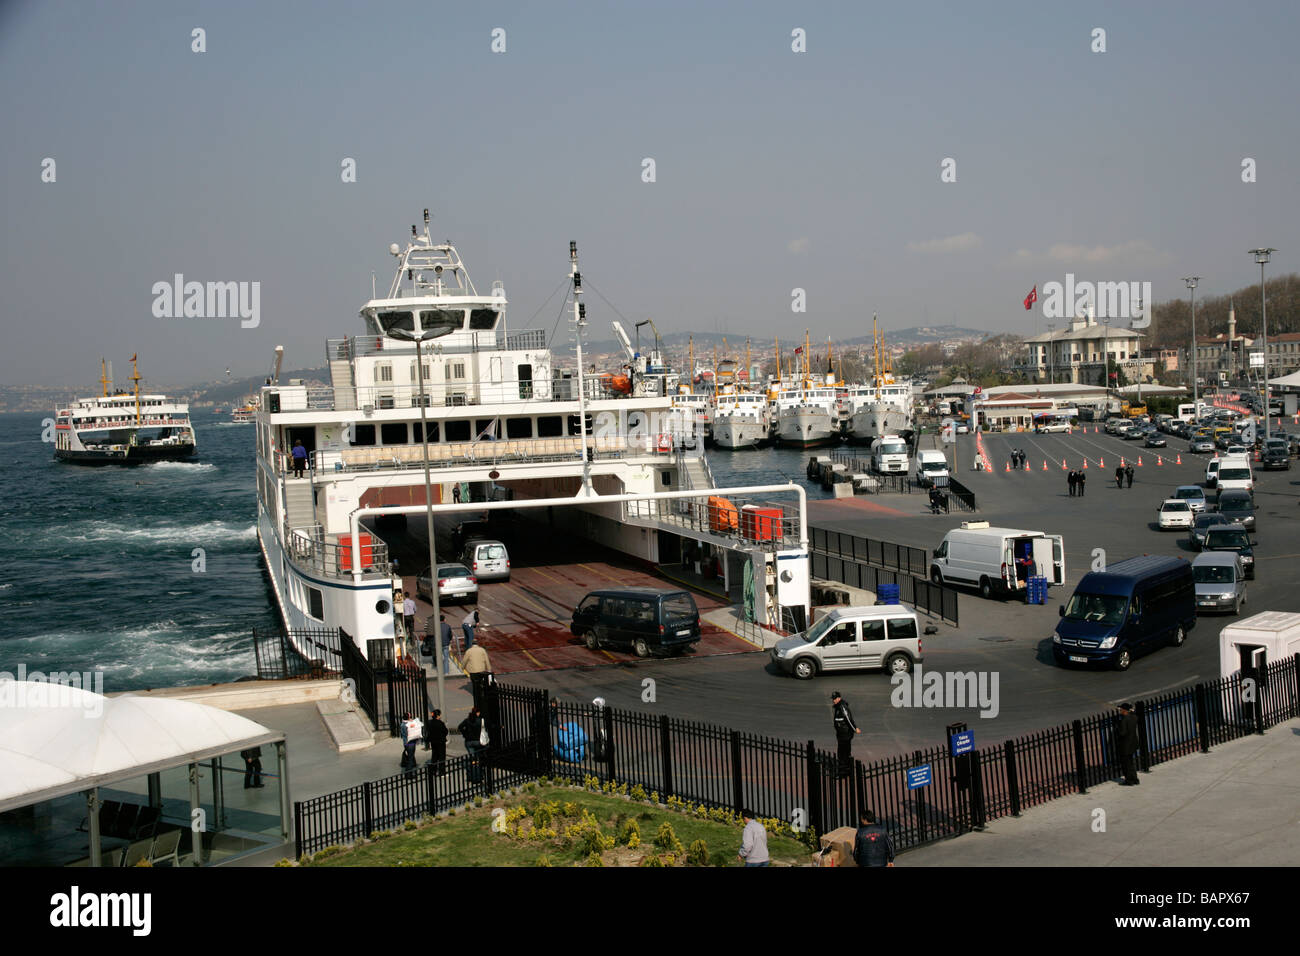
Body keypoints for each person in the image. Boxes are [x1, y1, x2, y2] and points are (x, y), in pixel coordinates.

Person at [831, 691, 861, 779]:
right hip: (841, 734)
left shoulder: (842, 707)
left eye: (835, 698)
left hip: (845, 734)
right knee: (846, 752)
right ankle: (848, 771)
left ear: (839, 698)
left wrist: (855, 728)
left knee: (842, 754)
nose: (834, 700)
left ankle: (843, 773)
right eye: (833, 699)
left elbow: (848, 719)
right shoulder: (838, 707)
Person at [459, 706, 487, 783]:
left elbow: (460, 727)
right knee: (478, 758)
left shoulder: (467, 720)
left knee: (473, 758)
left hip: (469, 742)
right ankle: (479, 774)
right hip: (478, 741)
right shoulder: (480, 720)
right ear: (477, 713)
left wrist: (465, 734)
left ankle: (472, 774)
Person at [1115, 702, 1140, 786]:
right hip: (1133, 743)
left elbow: (1122, 733)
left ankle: (1129, 780)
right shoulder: (1134, 717)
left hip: (1125, 745)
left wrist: (1118, 727)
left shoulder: (1124, 720)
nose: (1120, 711)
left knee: (1126, 764)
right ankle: (1135, 778)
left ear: (1124, 710)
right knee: (1131, 762)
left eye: (1121, 709)